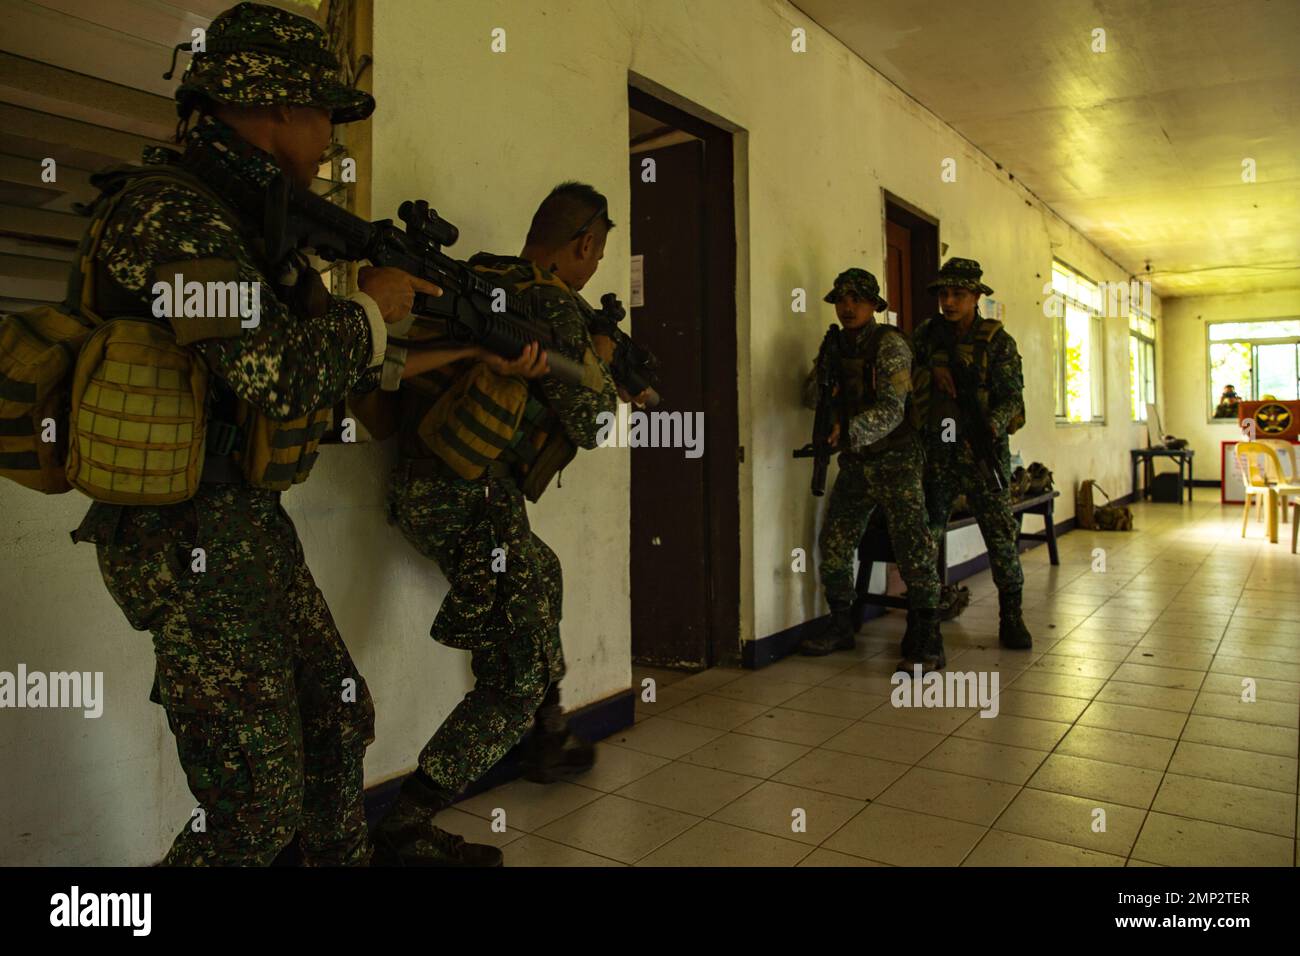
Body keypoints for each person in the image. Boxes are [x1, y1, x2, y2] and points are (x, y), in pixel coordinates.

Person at [69, 3, 437, 864]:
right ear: (274, 107)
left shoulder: (244, 223)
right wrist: (370, 311)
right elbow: (274, 370)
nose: (328, 142)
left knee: (339, 717)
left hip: (242, 521)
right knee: (255, 814)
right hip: (179, 535)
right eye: (323, 117)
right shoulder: (169, 213)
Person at [374, 182, 619, 866]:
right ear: (584, 245)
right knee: (518, 664)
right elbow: (593, 422)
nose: (594, 268)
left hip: (427, 486)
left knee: (541, 574)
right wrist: (595, 357)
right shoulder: (552, 302)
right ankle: (406, 823)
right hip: (468, 497)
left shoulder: (483, 274)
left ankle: (546, 728)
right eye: (597, 256)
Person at [797, 269, 944, 671]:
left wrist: (850, 429)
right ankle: (842, 623)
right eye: (842, 300)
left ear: (873, 306)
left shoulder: (890, 345)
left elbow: (894, 410)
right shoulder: (835, 345)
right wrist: (826, 381)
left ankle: (926, 636)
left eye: (856, 300)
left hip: (896, 460)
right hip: (858, 462)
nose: (847, 307)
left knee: (914, 548)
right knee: (836, 542)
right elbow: (810, 397)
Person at [912, 258, 1032, 650]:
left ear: (977, 296)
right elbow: (903, 373)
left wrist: (990, 426)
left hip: (982, 454)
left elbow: (1012, 397)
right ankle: (924, 621)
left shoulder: (997, 341)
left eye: (958, 294)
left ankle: (1011, 616)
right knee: (926, 537)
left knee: (1000, 536)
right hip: (939, 454)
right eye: (944, 294)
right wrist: (932, 371)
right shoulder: (927, 336)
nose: (948, 301)